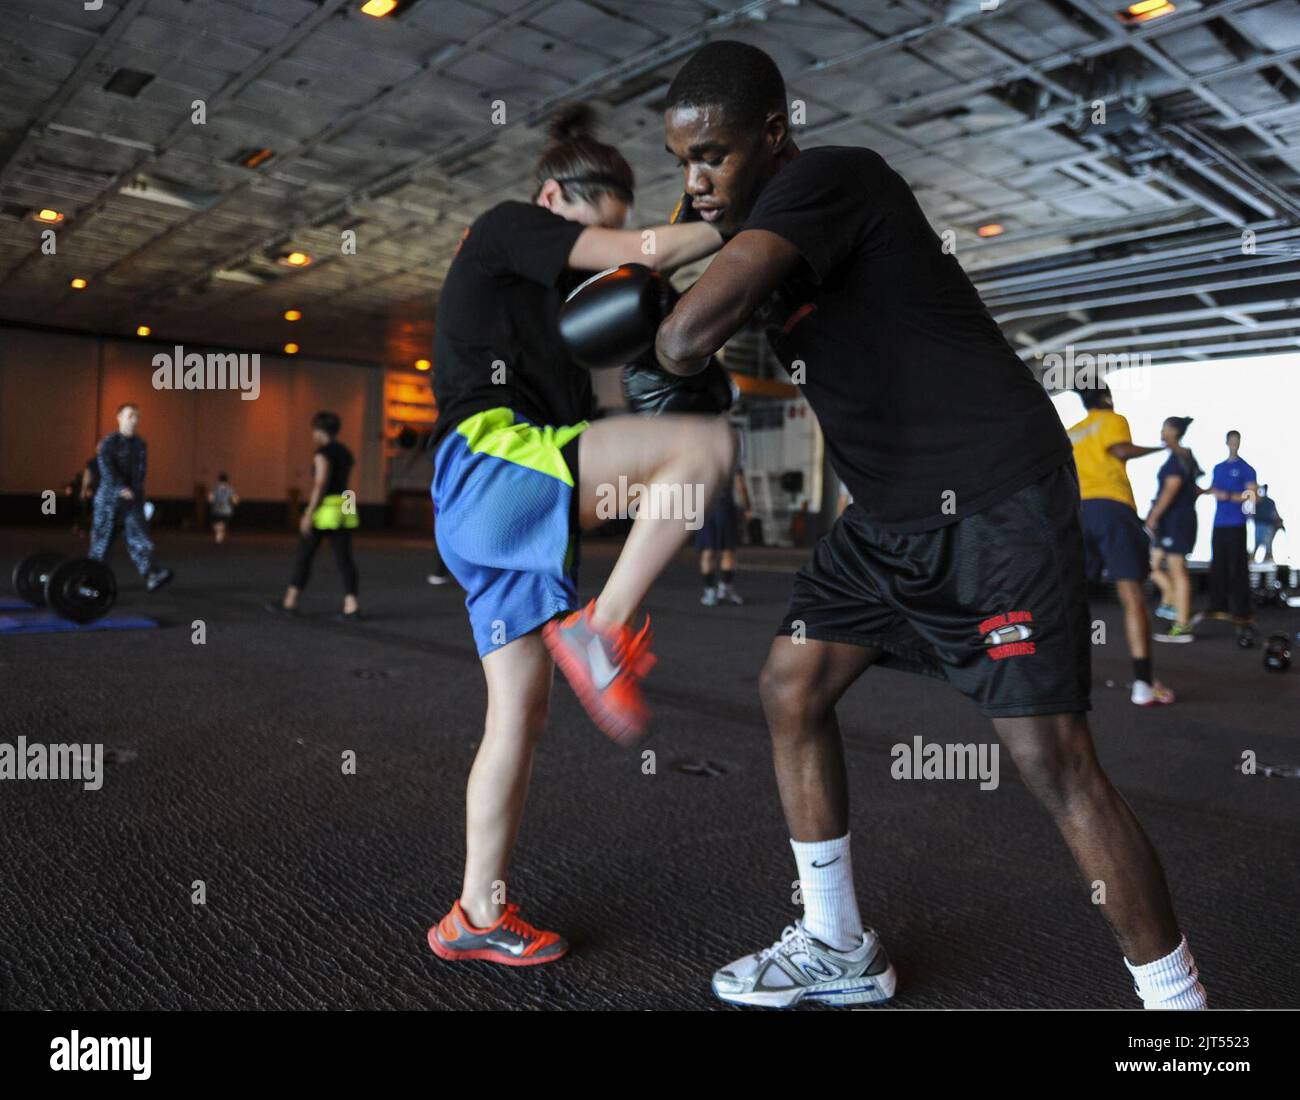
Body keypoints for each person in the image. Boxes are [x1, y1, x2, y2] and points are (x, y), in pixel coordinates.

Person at [647, 40, 1205, 1010]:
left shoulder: (833, 177)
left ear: (774, 136)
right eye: (683, 160)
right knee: (791, 684)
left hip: (994, 495)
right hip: (891, 514)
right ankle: (834, 942)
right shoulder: (761, 222)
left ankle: (1181, 1016)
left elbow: (689, 333)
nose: (696, 180)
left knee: (1051, 761)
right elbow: (678, 268)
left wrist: (661, 338)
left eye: (717, 155)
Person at [424, 105, 731, 966]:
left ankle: (475, 914)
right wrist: (739, 219)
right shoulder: (506, 226)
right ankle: (604, 628)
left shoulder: (554, 319)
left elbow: (626, 394)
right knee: (706, 448)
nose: (605, 251)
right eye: (596, 231)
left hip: (493, 509)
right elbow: (641, 253)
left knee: (515, 718)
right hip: (493, 462)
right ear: (554, 197)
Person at [1067, 385, 1172, 702]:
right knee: (1131, 595)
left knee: (1073, 597)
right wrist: (1159, 448)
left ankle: (1069, 679)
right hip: (1113, 507)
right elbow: (1119, 450)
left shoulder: (1073, 433)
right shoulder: (1112, 419)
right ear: (1107, 398)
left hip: (1078, 511)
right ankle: (1143, 685)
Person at [266, 412, 361, 621]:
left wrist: (308, 513)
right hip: (344, 506)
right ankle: (351, 604)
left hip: (325, 510)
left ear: (319, 431)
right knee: (344, 558)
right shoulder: (345, 452)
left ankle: (290, 602)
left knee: (305, 555)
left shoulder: (322, 453)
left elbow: (320, 483)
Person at [90, 404, 173, 592]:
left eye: (137, 416)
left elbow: (140, 473)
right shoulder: (108, 443)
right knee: (101, 543)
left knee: (140, 538)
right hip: (108, 502)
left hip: (132, 501)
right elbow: (106, 468)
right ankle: (92, 581)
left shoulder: (140, 444)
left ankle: (152, 574)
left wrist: (137, 496)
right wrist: (120, 487)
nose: (134, 420)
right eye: (130, 416)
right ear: (119, 417)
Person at [1146, 417, 1201, 643]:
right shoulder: (1185, 456)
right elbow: (1194, 488)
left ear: (1172, 431)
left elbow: (1171, 489)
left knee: (1178, 569)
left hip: (1175, 521)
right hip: (1174, 521)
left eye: (1163, 427)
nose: (1161, 431)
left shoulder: (1179, 459)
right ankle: (1170, 600)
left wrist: (1153, 517)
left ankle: (1182, 625)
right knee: (1150, 563)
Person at [1205, 430, 1258, 638]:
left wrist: (1228, 496)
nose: (1234, 444)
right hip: (1219, 524)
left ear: (1240, 443)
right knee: (1218, 564)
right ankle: (1218, 605)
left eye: (1237, 442)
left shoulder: (1246, 469)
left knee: (1238, 567)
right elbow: (1213, 489)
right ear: (1227, 442)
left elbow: (1251, 495)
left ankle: (1242, 608)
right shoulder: (1218, 468)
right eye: (1232, 441)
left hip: (1237, 524)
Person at [698, 467, 750, 605]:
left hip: (704, 507)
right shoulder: (731, 459)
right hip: (722, 509)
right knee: (728, 551)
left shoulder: (697, 457)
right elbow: (740, 486)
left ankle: (710, 592)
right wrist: (747, 507)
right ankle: (724, 589)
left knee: (708, 551)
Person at [1252, 485, 1283, 564]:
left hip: (1267, 525)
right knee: (1259, 544)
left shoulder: (1268, 502)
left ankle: (1267, 559)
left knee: (1267, 546)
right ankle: (1254, 561)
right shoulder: (1258, 501)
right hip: (1260, 525)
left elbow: (1275, 514)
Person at [209, 472, 239, 545]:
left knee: (217, 524)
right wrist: (234, 503)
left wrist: (213, 501)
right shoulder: (230, 489)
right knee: (222, 523)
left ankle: (219, 533)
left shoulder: (215, 489)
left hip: (216, 510)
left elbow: (210, 499)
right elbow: (235, 500)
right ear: (227, 480)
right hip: (227, 510)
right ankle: (220, 532)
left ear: (219, 480)